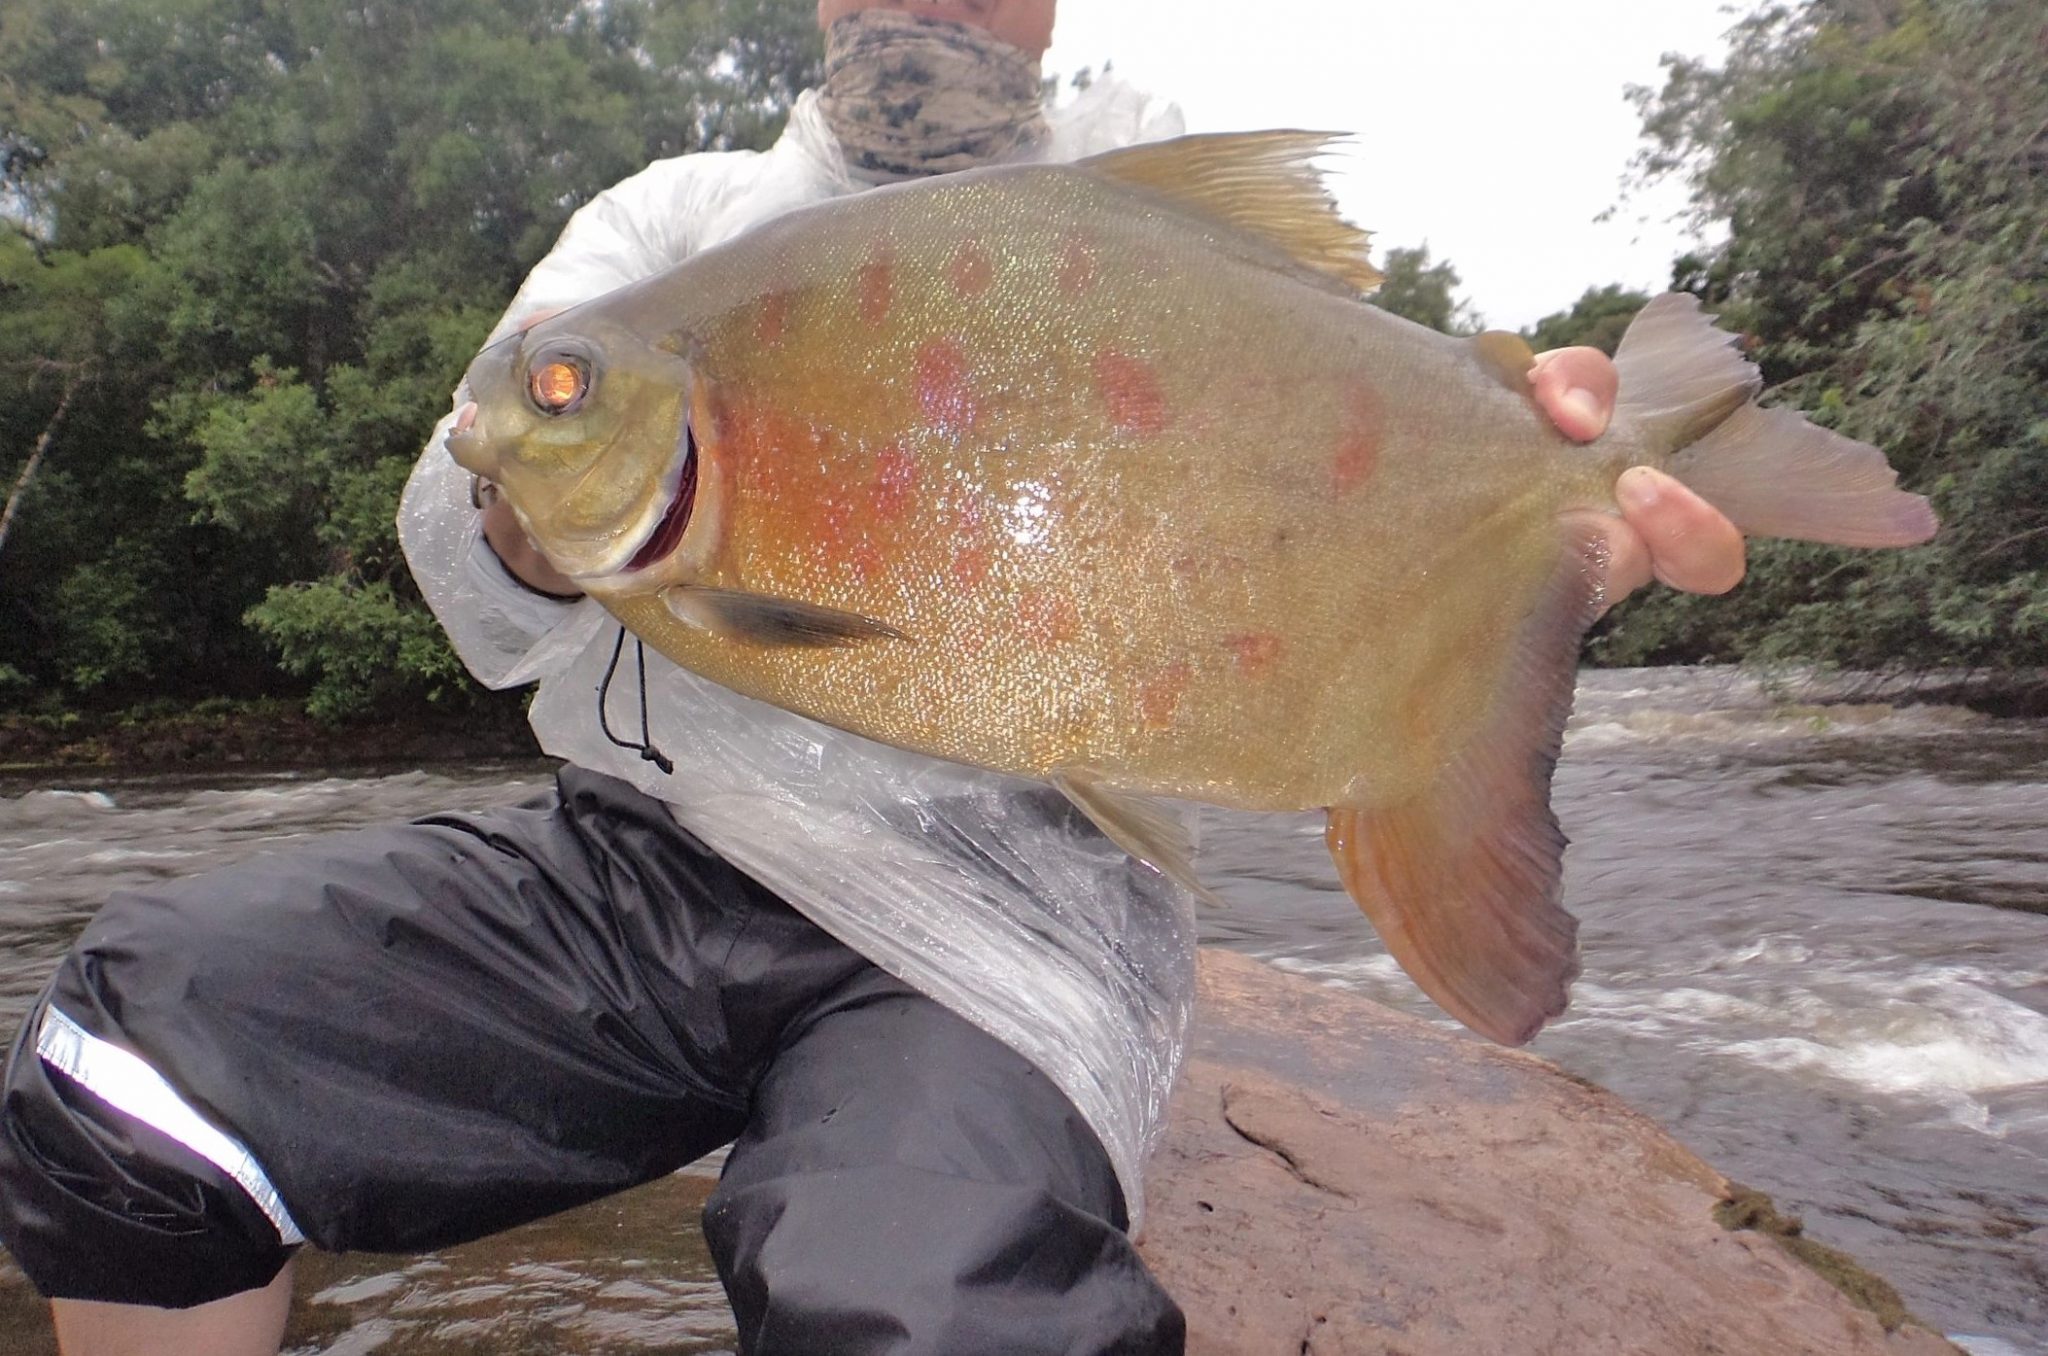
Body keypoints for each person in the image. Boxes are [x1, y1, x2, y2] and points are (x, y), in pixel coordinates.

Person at [0, 3, 1746, 1353]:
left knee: (920, 1312)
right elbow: (469, 557)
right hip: (647, 872)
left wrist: (1543, 508)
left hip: (1019, 924)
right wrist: (534, 527)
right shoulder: (672, 228)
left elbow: (1386, 478)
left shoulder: (1165, 188)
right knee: (129, 1062)